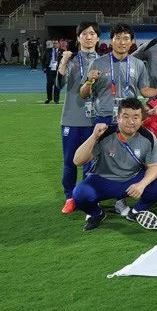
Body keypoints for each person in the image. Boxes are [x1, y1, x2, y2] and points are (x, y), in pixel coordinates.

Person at [70, 98, 157, 232]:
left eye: (136, 117)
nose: (131, 122)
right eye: (126, 117)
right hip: (103, 180)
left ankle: (136, 212)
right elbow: (78, 161)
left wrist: (142, 184)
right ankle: (96, 214)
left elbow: (155, 166)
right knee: (80, 194)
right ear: (118, 118)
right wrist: (93, 136)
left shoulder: (148, 137)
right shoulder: (105, 134)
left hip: (131, 180)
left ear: (141, 119)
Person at [55, 21, 101, 214]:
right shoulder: (71, 59)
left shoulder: (104, 61)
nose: (88, 37)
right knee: (69, 161)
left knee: (91, 163)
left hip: (94, 120)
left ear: (98, 38)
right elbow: (59, 84)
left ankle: (87, 196)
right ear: (78, 38)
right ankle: (70, 197)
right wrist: (64, 61)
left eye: (92, 34)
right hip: (72, 119)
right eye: (84, 33)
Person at [81, 23, 157, 125]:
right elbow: (83, 94)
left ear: (131, 42)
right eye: (118, 38)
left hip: (129, 117)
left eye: (126, 38)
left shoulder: (138, 64)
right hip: (104, 117)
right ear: (111, 41)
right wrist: (89, 81)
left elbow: (145, 91)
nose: (122, 42)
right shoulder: (96, 63)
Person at [43, 40, 64, 104]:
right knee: (49, 84)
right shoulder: (48, 50)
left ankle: (56, 99)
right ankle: (49, 98)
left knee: (57, 84)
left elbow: (65, 61)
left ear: (59, 44)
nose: (55, 44)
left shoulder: (62, 51)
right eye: (54, 43)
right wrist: (44, 67)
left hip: (58, 69)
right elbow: (43, 59)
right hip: (49, 69)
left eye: (56, 43)